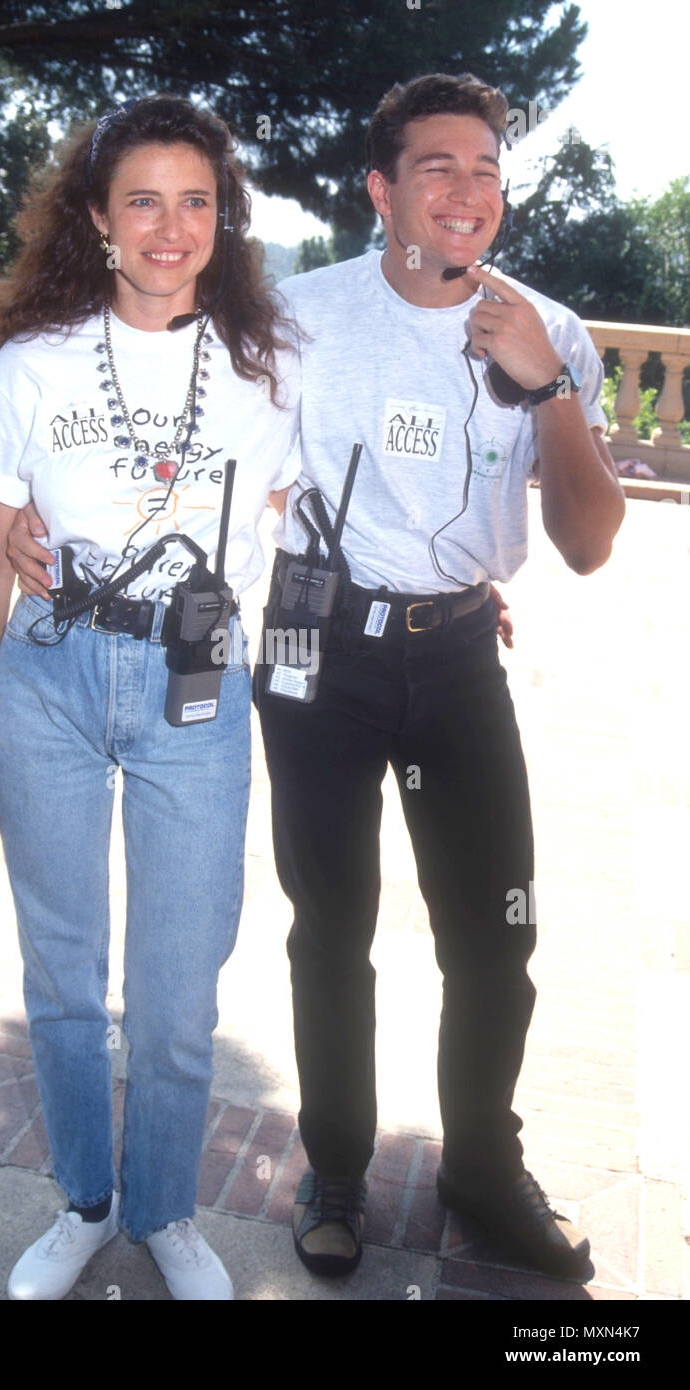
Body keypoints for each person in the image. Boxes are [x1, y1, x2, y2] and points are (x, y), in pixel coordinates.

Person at [252, 72, 625, 1282]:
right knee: (331, 927)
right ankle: (337, 1165)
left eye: (485, 171)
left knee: (493, 932)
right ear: (380, 189)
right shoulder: (297, 312)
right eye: (435, 167)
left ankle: (479, 1164)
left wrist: (547, 382)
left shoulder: (545, 326)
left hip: (459, 651)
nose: (466, 193)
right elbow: (189, 439)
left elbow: (586, 540)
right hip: (315, 643)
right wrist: (46, 527)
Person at [0, 94, 300, 1302]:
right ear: (95, 217)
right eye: (141, 199)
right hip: (46, 677)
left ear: (222, 220)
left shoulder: (268, 368)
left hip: (192, 690)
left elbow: (309, 519)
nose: (169, 225)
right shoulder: (32, 365)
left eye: (194, 200)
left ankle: (164, 1210)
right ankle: (87, 1203)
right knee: (61, 968)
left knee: (176, 986)